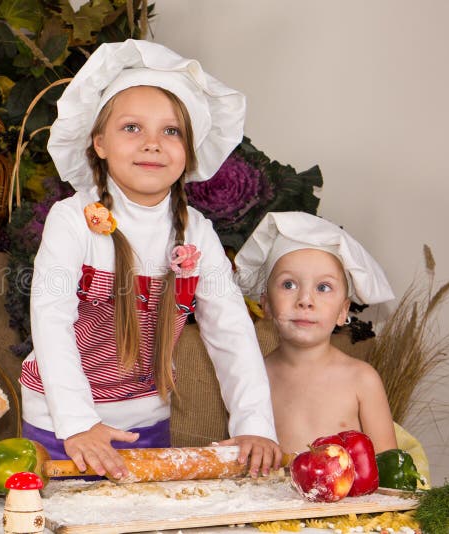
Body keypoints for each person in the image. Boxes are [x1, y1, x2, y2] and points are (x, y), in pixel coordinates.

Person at [20, 39, 281, 480]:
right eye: (132, 128)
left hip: (146, 423)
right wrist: (78, 424)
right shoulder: (72, 220)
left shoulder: (196, 232)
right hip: (60, 425)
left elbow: (231, 331)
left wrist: (254, 424)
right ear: (99, 142)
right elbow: (51, 319)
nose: (153, 144)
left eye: (171, 131)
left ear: (189, 150)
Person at [234, 211, 399, 454]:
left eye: (323, 287)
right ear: (266, 303)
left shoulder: (362, 380)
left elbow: (387, 467)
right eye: (289, 284)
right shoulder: (254, 378)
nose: (305, 300)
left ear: (343, 311)